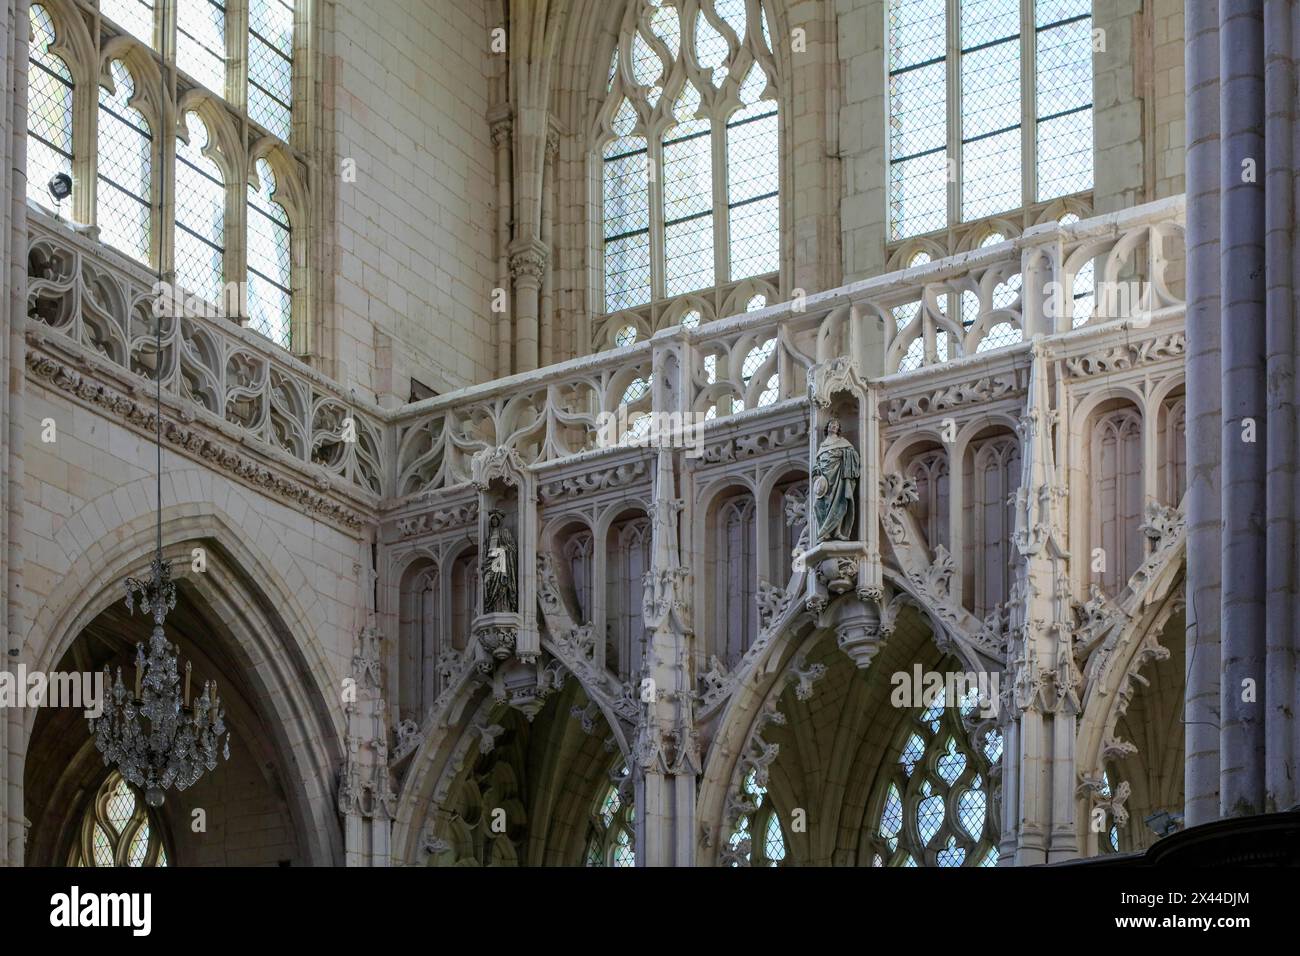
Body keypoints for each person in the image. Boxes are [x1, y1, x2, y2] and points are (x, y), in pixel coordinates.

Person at [811, 417, 860, 542]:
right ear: (827, 427)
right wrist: (816, 474)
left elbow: (853, 454)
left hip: (838, 475)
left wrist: (843, 455)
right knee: (820, 504)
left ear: (838, 429)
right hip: (825, 478)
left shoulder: (843, 442)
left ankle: (838, 532)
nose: (834, 426)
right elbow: (817, 463)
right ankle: (824, 532)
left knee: (840, 502)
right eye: (832, 424)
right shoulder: (822, 445)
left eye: (836, 425)